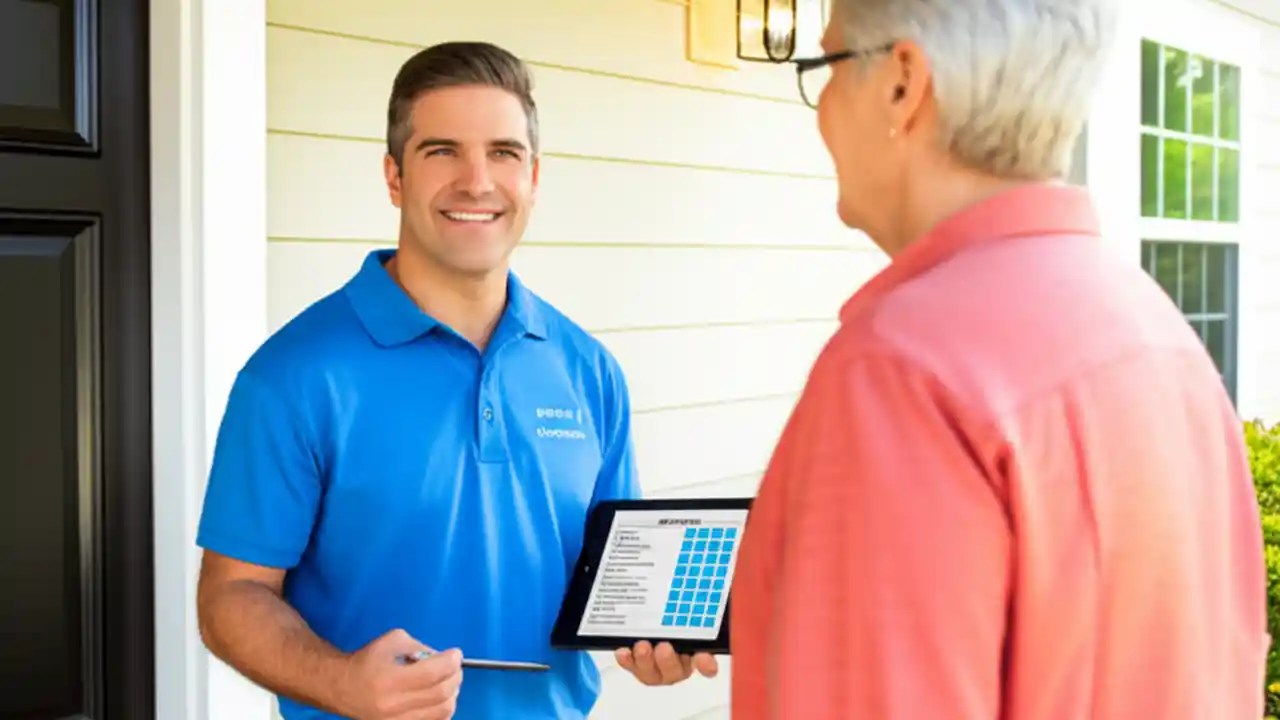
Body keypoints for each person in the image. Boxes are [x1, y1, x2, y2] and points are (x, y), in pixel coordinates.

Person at [730, 0, 1269, 718]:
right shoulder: (1165, 342)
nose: (821, 107)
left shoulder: (902, 374)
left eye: (824, 67)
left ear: (902, 83)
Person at [194, 41, 716, 720]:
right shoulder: (293, 375)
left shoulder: (587, 369)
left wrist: (655, 638)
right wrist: (341, 680)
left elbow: (614, 580)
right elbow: (230, 597)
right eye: (442, 151)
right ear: (393, 177)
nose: (477, 181)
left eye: (503, 152)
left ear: (534, 177)